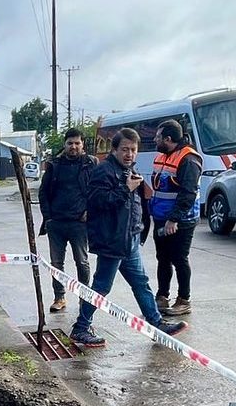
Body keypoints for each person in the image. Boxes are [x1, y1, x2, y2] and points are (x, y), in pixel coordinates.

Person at [71, 127, 188, 346]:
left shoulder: (130, 172)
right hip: (112, 240)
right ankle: (81, 327)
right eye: (125, 149)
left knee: (141, 283)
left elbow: (135, 207)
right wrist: (125, 189)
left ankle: (156, 323)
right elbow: (97, 202)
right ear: (114, 149)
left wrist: (140, 229)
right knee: (101, 286)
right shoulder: (104, 171)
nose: (130, 154)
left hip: (129, 240)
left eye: (134, 150)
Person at [39, 127, 96, 313]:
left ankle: (84, 297)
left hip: (79, 223)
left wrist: (90, 211)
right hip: (56, 223)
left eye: (77, 143)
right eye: (70, 143)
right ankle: (59, 297)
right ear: (64, 145)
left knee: (82, 262)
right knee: (57, 264)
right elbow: (43, 192)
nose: (73, 146)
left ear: (83, 145)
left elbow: (98, 190)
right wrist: (48, 217)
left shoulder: (91, 163)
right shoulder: (54, 165)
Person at [150, 119, 202, 316]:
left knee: (179, 258)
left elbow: (188, 193)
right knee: (163, 258)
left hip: (182, 220)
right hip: (162, 217)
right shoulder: (163, 156)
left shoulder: (189, 159)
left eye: (158, 137)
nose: (155, 140)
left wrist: (174, 219)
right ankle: (162, 296)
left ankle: (184, 299)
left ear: (168, 139)